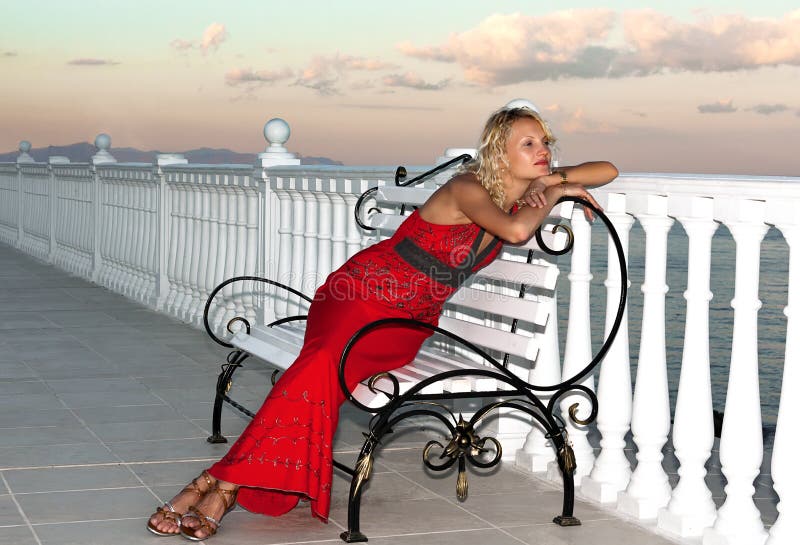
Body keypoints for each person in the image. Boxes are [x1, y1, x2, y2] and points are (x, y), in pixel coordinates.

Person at [146, 106, 618, 540]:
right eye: (528, 144)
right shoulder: (468, 187)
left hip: (406, 322)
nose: (543, 152)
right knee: (324, 365)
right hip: (359, 294)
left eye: (544, 142)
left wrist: (555, 181)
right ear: (500, 152)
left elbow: (608, 170)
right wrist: (555, 189)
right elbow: (517, 231)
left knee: (321, 373)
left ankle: (214, 480)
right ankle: (224, 490)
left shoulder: (523, 192)